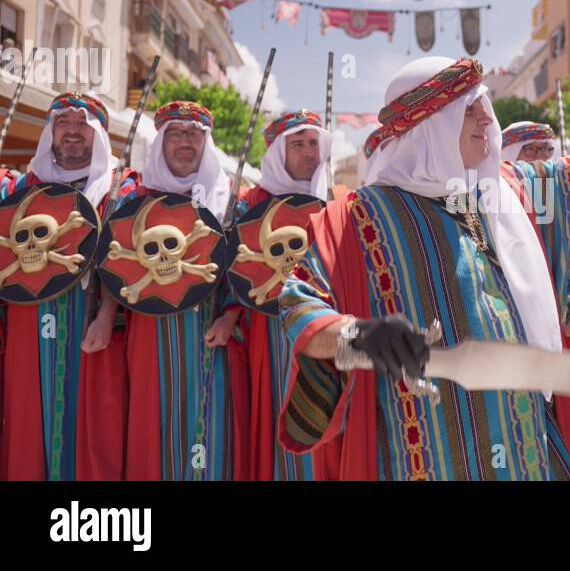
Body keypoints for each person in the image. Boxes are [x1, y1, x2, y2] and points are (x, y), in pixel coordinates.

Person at [277, 44, 570, 480]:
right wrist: (356, 336)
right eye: (471, 111)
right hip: (425, 452)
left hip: (528, 442)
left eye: (485, 106)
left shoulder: (512, 194)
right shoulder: (353, 218)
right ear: (431, 125)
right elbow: (299, 304)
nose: (488, 121)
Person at [78, 101, 248, 480]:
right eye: (174, 133)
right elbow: (116, 268)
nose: (184, 142)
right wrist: (105, 317)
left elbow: (246, 267)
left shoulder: (233, 199)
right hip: (148, 337)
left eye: (193, 134)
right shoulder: (133, 197)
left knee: (208, 429)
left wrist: (232, 315)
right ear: (161, 141)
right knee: (152, 428)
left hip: (209, 336)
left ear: (206, 142)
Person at [0, 93, 139, 480]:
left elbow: (122, 257)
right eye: (64, 124)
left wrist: (107, 315)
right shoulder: (20, 188)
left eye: (83, 125)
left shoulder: (121, 189)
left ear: (98, 135)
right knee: (28, 419)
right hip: (28, 322)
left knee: (95, 428)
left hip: (91, 321)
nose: (73, 133)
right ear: (51, 132)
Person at [235, 109, 335, 480]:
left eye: (314, 143)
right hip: (266, 331)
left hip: (328, 329)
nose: (309, 152)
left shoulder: (337, 201)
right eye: (298, 144)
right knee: (274, 417)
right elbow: (232, 271)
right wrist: (231, 312)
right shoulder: (249, 203)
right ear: (279, 151)